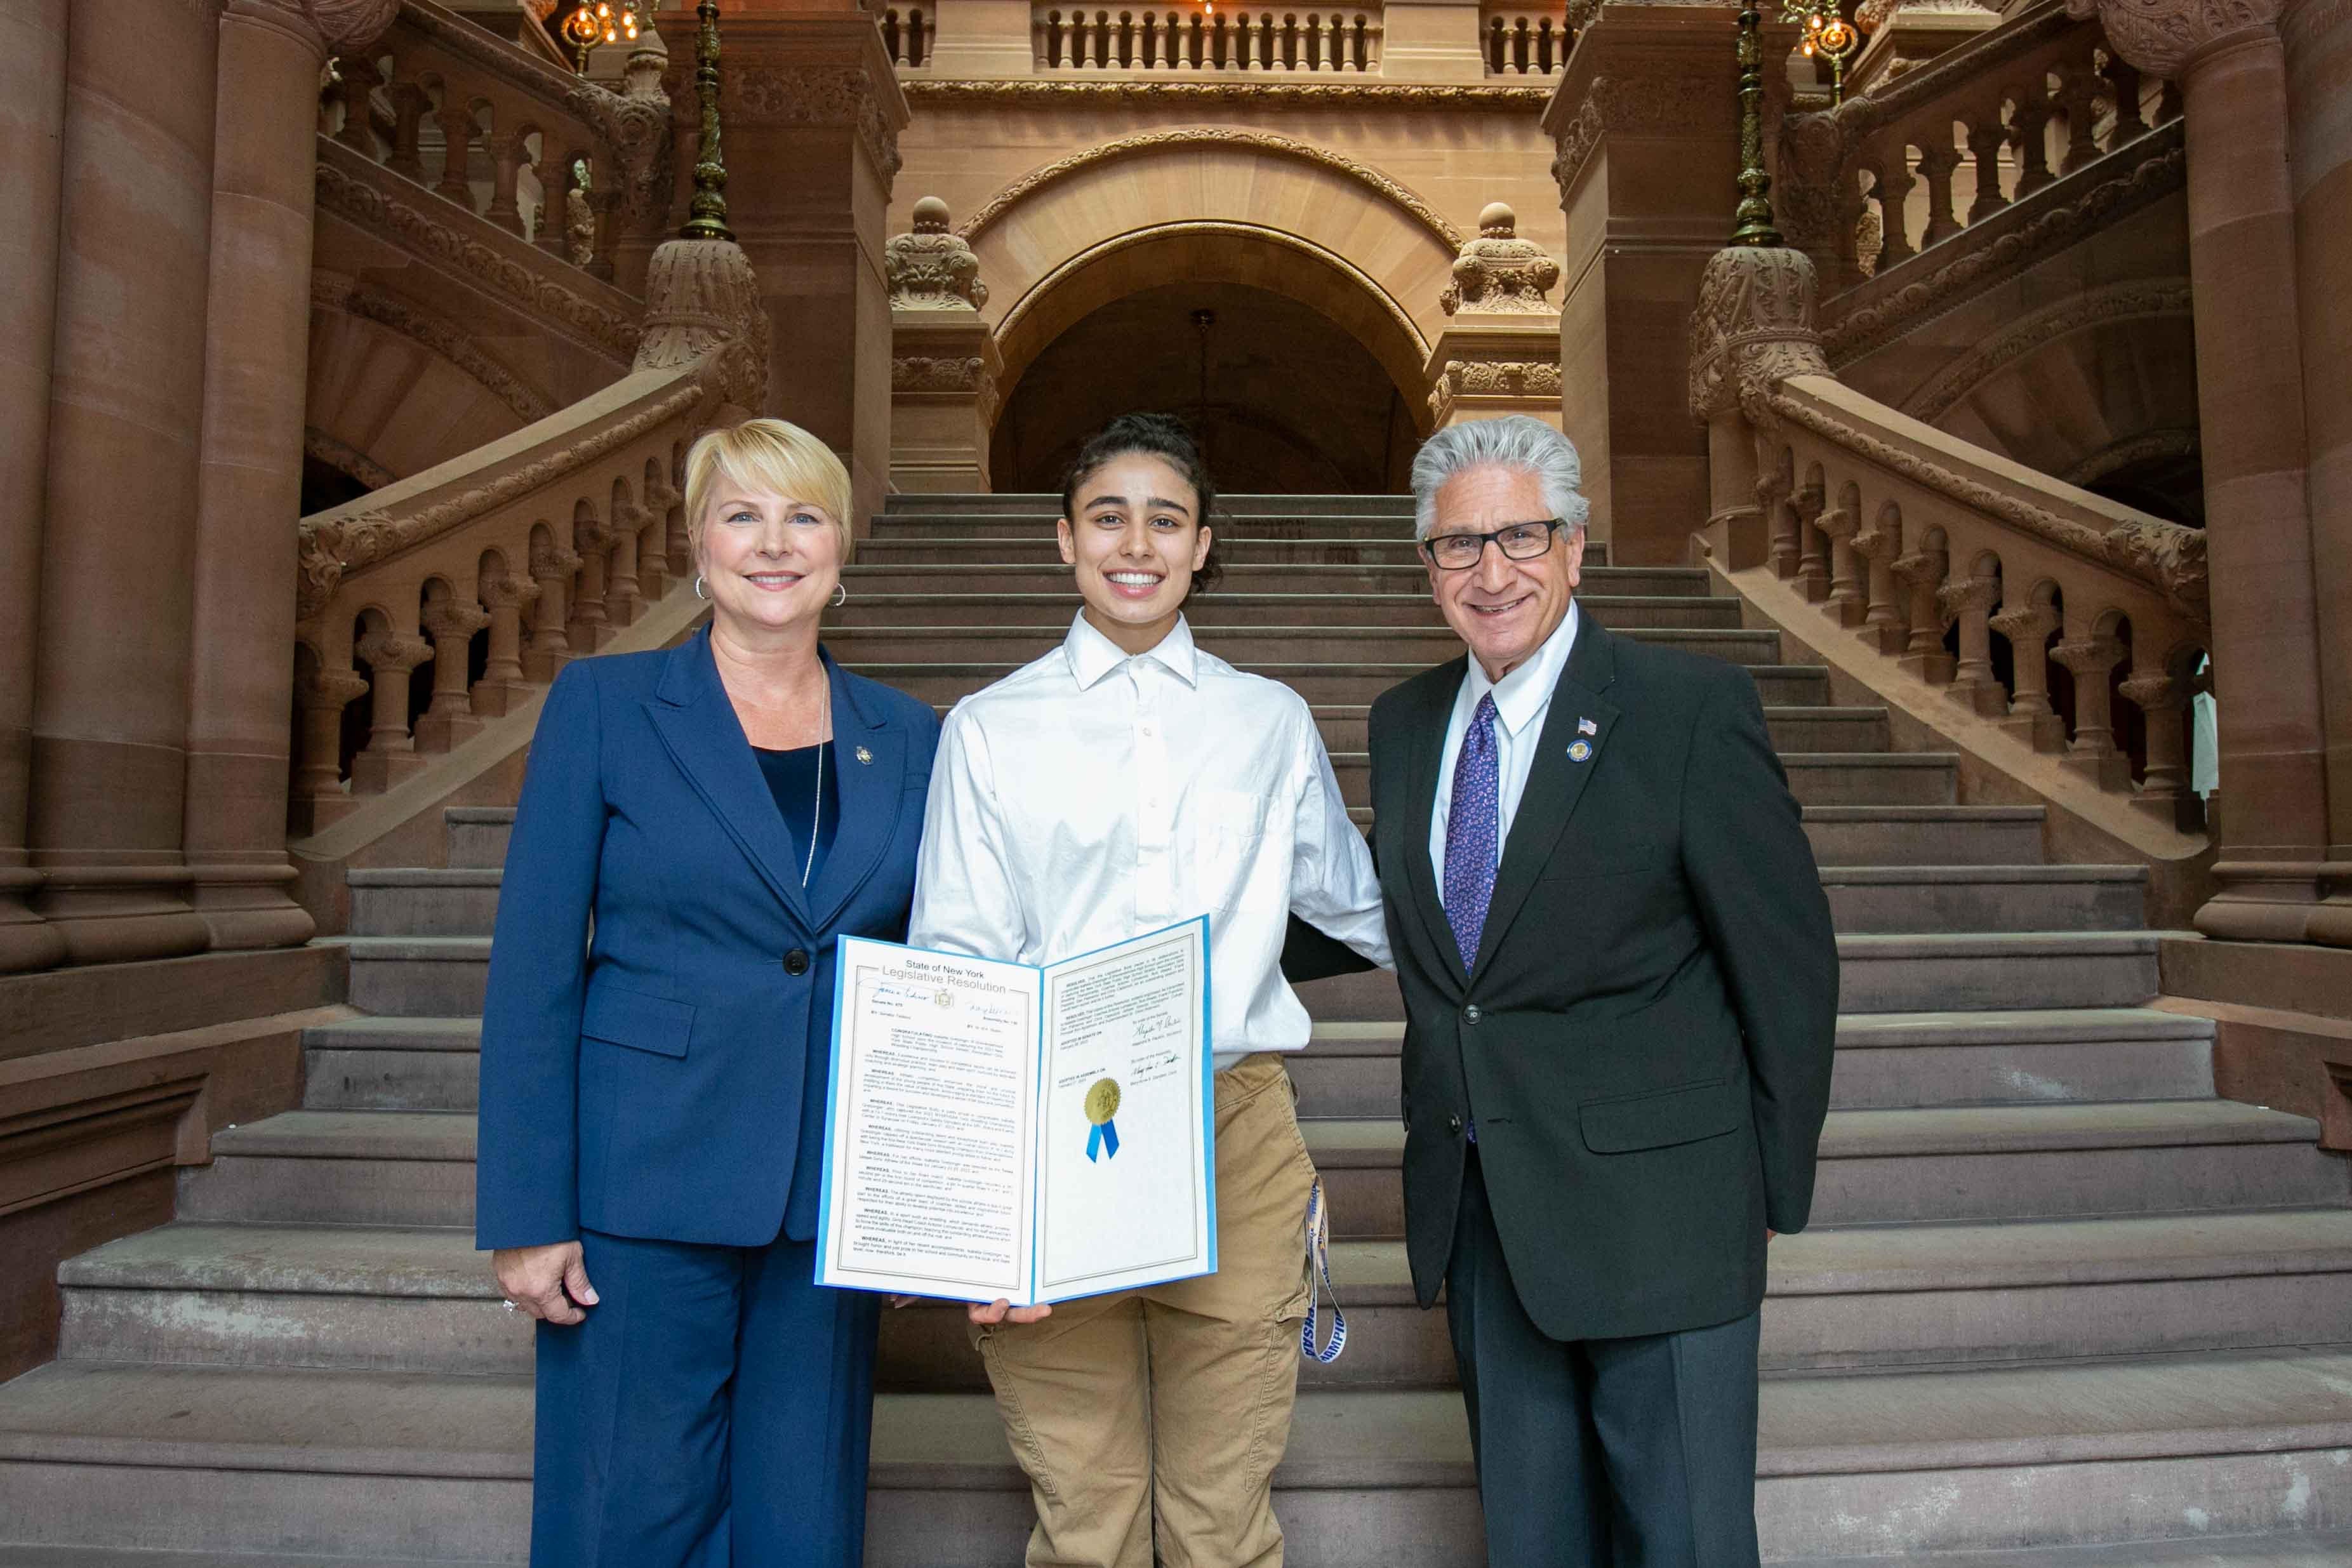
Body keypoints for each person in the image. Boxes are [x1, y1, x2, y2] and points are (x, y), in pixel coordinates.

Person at [909, 411, 1392, 1568]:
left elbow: (1356, 904)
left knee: (1222, 1519)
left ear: (1202, 545)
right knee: (1087, 1519)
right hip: (1050, 1136)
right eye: (1108, 516)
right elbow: (956, 963)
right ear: (1063, 541)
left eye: (1165, 519)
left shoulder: (1266, 720)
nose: (1138, 542)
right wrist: (969, 1208)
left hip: (1234, 1130)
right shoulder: (986, 730)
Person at [1364, 415, 1838, 1567]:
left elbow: (1786, 965)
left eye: (1519, 537)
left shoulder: (1684, 711)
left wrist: (1758, 1189)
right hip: (1486, 1215)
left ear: (1575, 546)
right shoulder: (1403, 723)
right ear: (1428, 568)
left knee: (1684, 1544)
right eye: (1458, 546)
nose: (1491, 573)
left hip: (1665, 1220)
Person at [474, 418, 941, 1566]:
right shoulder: (605, 705)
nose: (773, 544)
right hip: (640, 1185)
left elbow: (942, 976)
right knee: (624, 1515)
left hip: (827, 1201)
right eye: (742, 515)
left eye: (803, 515)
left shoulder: (915, 735)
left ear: (841, 546)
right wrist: (528, 1213)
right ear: (697, 545)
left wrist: (931, 1210)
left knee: (802, 1524)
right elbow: (532, 969)